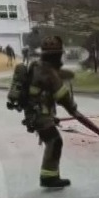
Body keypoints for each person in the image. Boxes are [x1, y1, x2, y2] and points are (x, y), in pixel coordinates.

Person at [27, 36, 78, 188]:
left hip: (36, 114)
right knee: (54, 141)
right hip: (39, 114)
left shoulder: (38, 66)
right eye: (59, 55)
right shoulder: (48, 71)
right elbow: (62, 95)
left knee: (53, 141)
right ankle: (49, 178)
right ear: (56, 56)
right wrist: (73, 110)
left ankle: (50, 176)